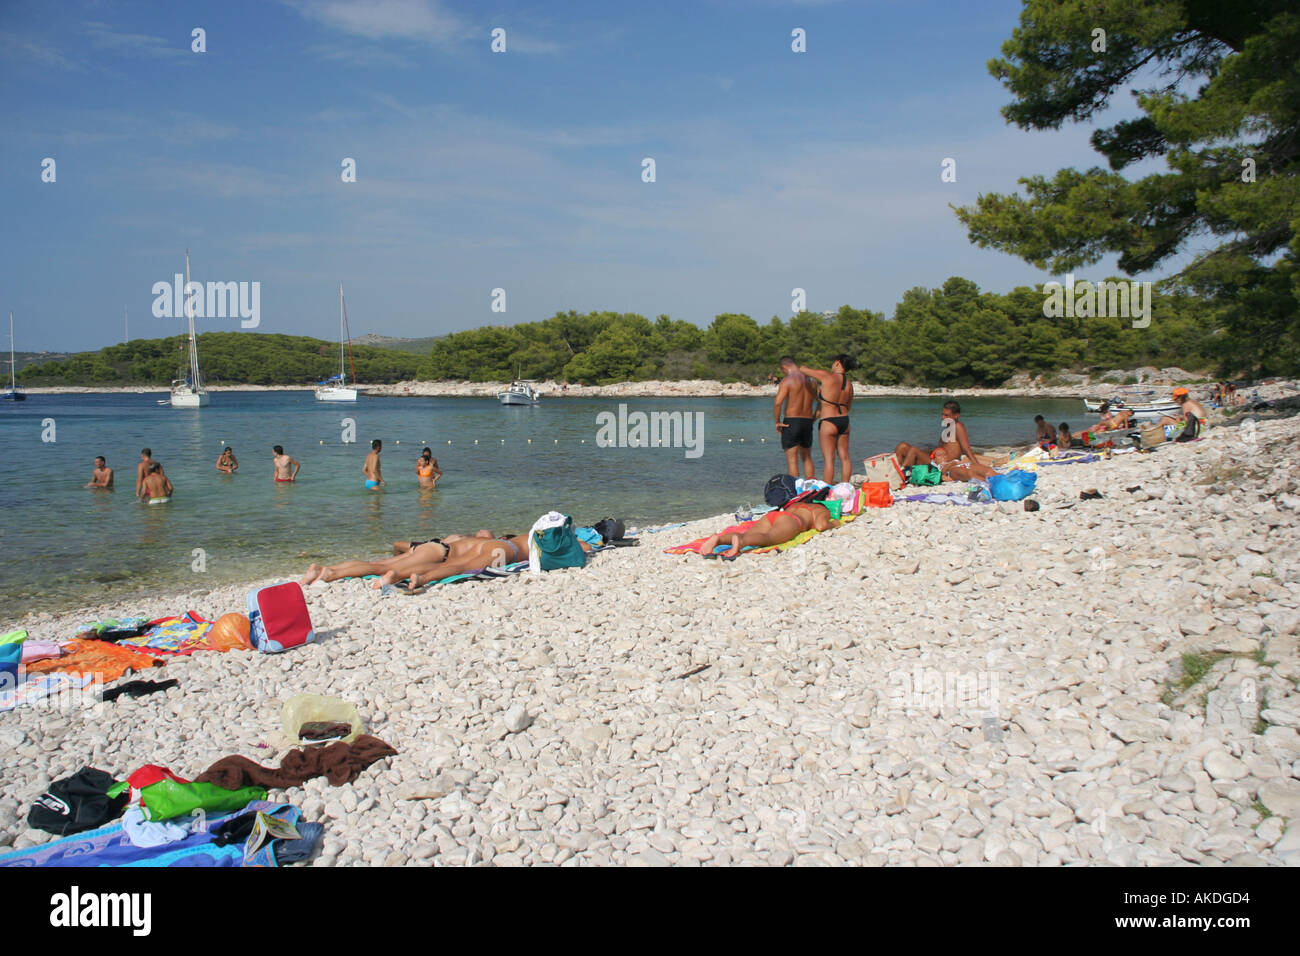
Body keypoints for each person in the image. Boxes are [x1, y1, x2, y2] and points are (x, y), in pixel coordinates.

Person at [696, 499, 840, 559]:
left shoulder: (797, 504)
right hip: (792, 522)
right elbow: (821, 526)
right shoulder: (821, 510)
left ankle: (718, 539)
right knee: (767, 538)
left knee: (749, 533)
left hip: (775, 515)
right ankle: (740, 542)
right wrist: (835, 523)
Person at [894, 400, 996, 481]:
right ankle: (894, 472)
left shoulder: (958, 426)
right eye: (943, 414)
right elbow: (941, 449)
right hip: (934, 460)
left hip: (942, 466)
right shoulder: (947, 429)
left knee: (914, 450)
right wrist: (926, 452)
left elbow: (966, 449)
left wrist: (977, 466)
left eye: (947, 415)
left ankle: (901, 476)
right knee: (902, 447)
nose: (943, 417)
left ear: (956, 416)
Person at [799, 354, 856, 484]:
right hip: (844, 421)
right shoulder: (849, 385)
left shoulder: (826, 376)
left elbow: (803, 369)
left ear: (837, 363)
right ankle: (846, 487)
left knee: (829, 460)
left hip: (828, 421)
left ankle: (828, 490)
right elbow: (849, 406)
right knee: (845, 457)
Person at [773, 356, 818, 479]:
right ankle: (811, 489)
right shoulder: (811, 380)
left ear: (784, 367)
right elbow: (821, 402)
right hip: (807, 421)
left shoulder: (787, 381)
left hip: (792, 421)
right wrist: (814, 417)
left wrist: (777, 422)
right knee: (807, 457)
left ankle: (796, 493)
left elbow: (778, 403)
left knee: (792, 460)